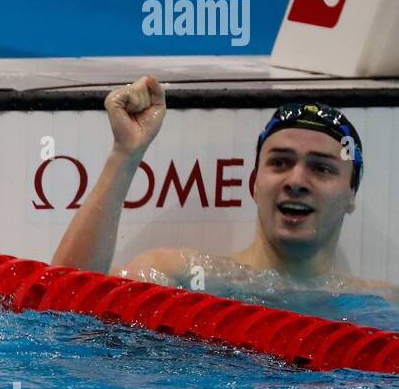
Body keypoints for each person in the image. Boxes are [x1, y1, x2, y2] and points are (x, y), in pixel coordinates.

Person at [51, 75, 393, 296]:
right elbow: (65, 305)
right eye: (280, 163)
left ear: (351, 193)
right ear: (253, 184)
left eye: (321, 168)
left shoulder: (384, 306)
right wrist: (126, 153)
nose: (296, 181)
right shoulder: (185, 277)